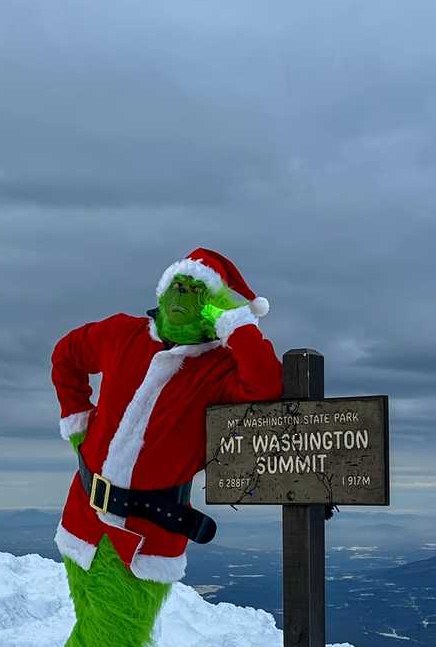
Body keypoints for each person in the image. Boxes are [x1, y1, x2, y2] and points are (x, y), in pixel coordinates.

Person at [51, 248, 282, 646]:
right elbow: (67, 354)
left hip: (146, 536)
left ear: (216, 305)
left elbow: (267, 386)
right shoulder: (122, 334)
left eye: (196, 289)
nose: (182, 296)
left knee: (112, 640)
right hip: (81, 517)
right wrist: (78, 419)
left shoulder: (220, 367)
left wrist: (237, 322)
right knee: (91, 628)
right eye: (178, 284)